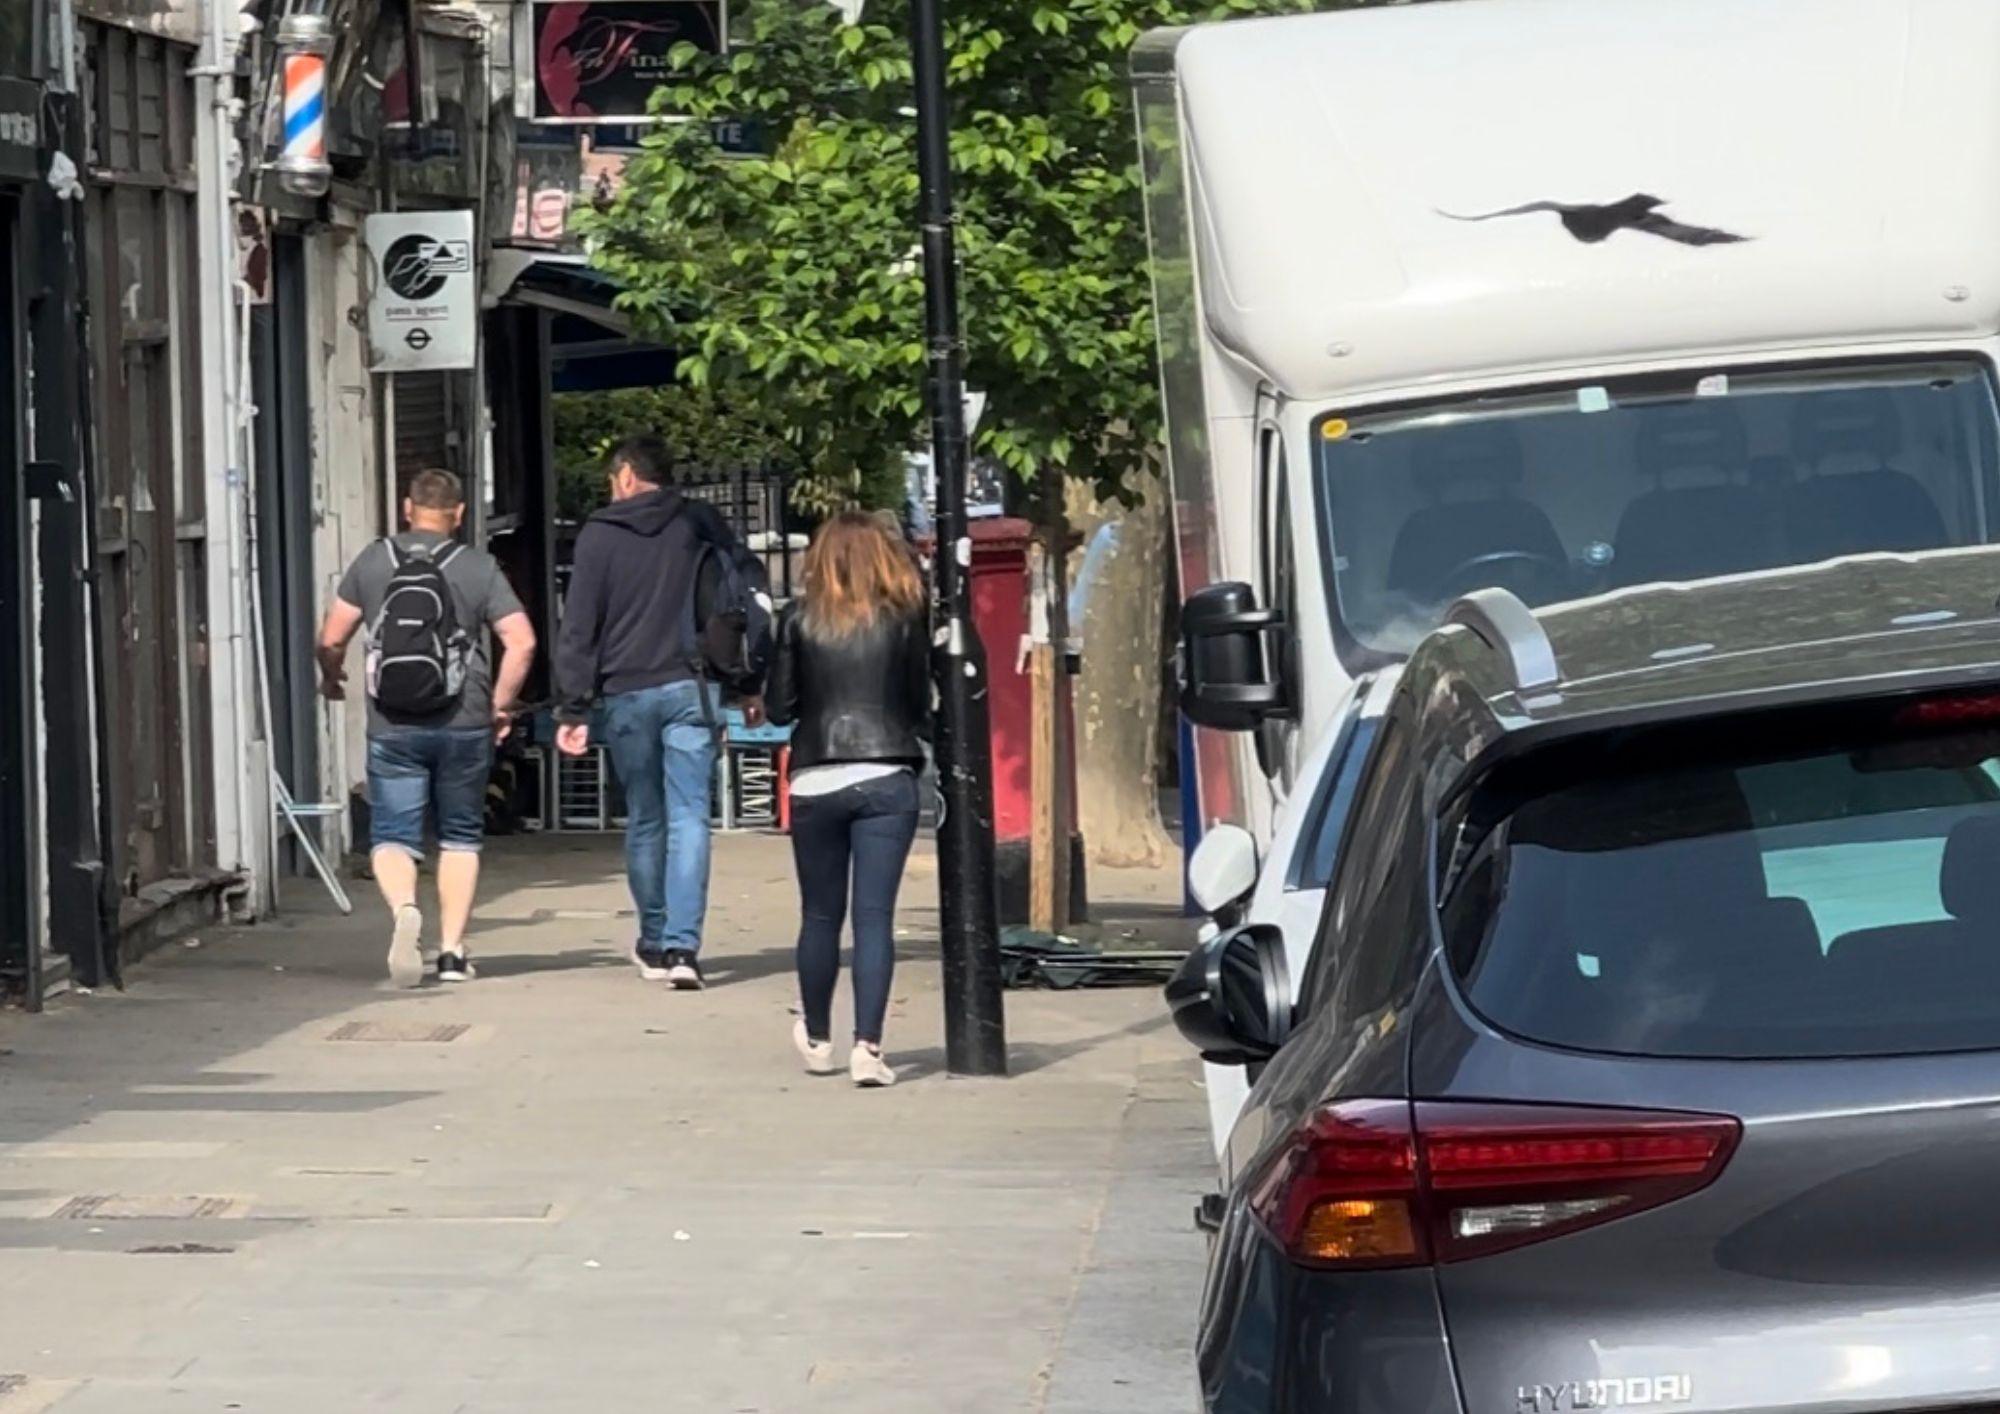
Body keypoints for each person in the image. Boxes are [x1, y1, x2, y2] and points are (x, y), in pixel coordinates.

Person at [554, 436, 760, 991]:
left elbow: (578, 627)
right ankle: (684, 949)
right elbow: (741, 595)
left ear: (625, 475)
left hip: (627, 693)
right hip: (691, 688)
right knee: (691, 816)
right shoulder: (698, 523)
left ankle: (653, 937)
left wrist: (572, 707)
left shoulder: (600, 534)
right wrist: (747, 683)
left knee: (646, 817)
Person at [317, 468, 536, 985]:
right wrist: (500, 706)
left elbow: (332, 638)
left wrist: (332, 678)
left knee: (393, 833)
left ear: (406, 508)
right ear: (459, 515)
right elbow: (522, 642)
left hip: (392, 721)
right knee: (460, 835)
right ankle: (454, 952)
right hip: (464, 721)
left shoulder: (375, 561)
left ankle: (403, 912)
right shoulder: (479, 568)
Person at [765, 511, 930, 1087]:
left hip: (815, 777)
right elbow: (917, 701)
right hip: (888, 774)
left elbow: (780, 707)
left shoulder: (798, 620)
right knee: (875, 918)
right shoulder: (903, 618)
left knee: (819, 915)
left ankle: (816, 1037)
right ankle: (869, 1047)